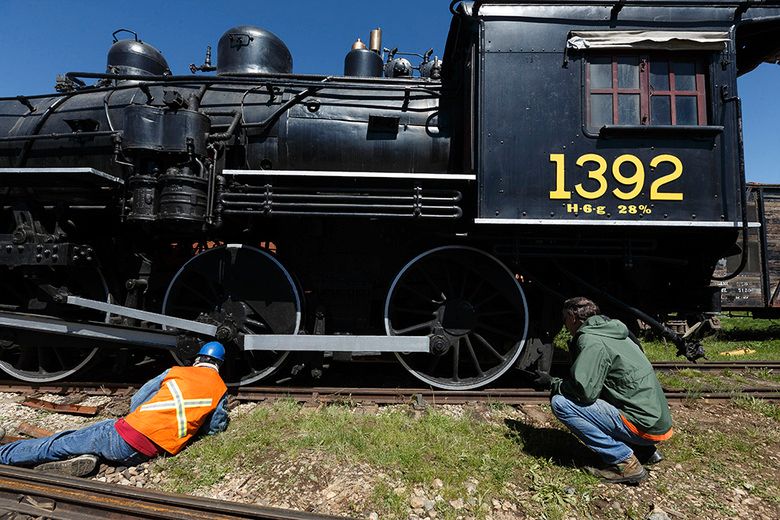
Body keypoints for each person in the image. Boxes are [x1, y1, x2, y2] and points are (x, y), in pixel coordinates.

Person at [0, 341, 229, 477]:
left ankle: (4, 455)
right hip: (148, 453)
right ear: (219, 365)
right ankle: (83, 459)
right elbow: (215, 426)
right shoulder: (220, 388)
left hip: (124, 436)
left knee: (60, 441)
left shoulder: (176, 371)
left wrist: (137, 419)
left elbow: (139, 398)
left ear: (197, 359)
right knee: (86, 443)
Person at [534, 297, 672, 485]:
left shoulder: (591, 340)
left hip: (643, 425)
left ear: (573, 317)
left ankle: (624, 461)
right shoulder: (614, 331)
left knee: (562, 403)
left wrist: (553, 382)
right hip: (657, 420)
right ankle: (645, 451)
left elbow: (583, 391)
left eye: (564, 318)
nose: (564, 324)